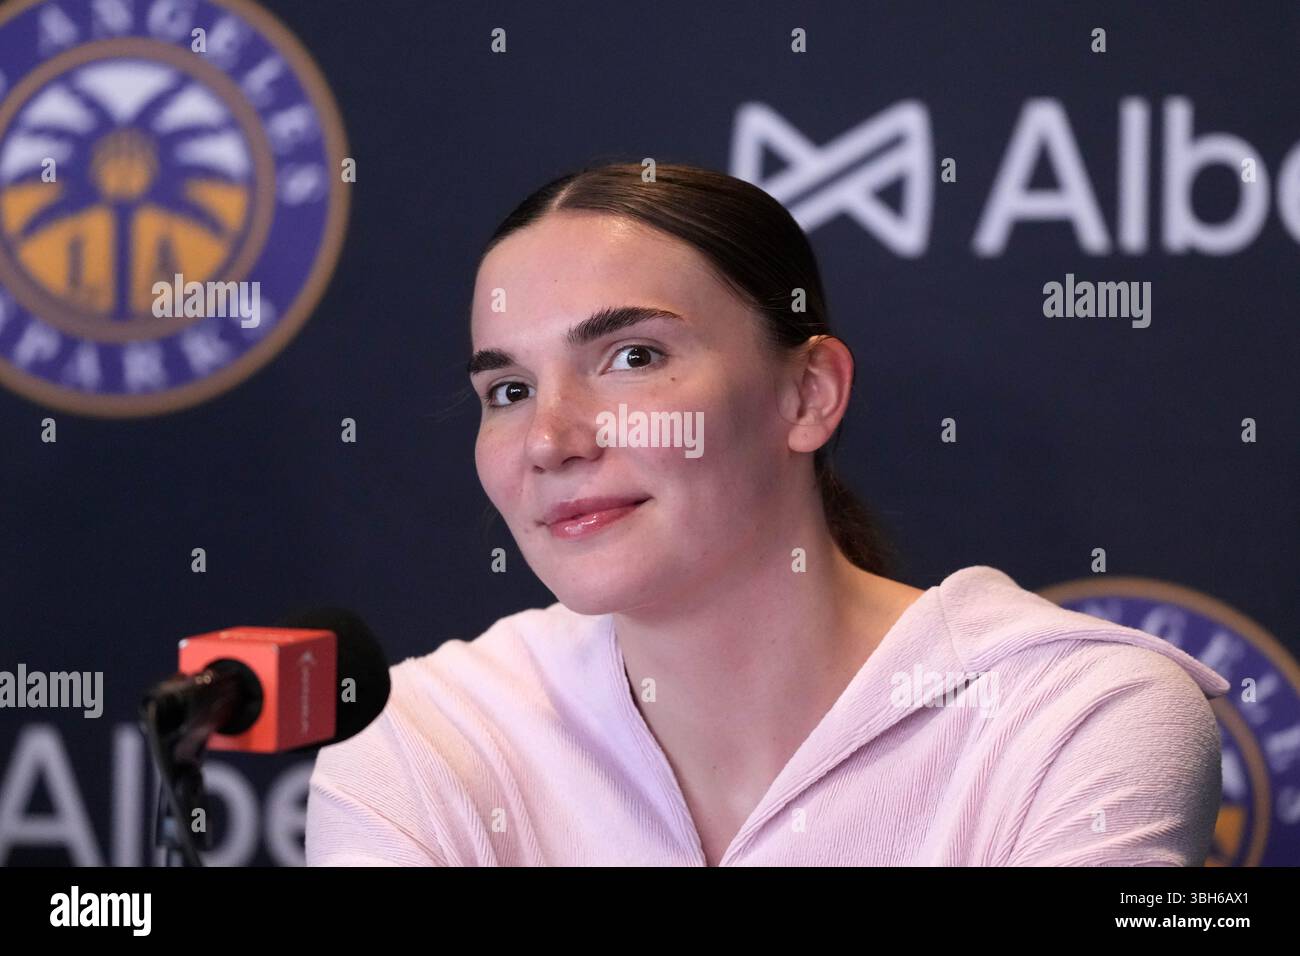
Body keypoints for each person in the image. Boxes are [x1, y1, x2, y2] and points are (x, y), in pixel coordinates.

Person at [305, 161, 1229, 866]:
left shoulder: (1074, 716)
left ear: (808, 394)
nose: (551, 440)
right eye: (506, 389)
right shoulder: (424, 737)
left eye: (631, 358)